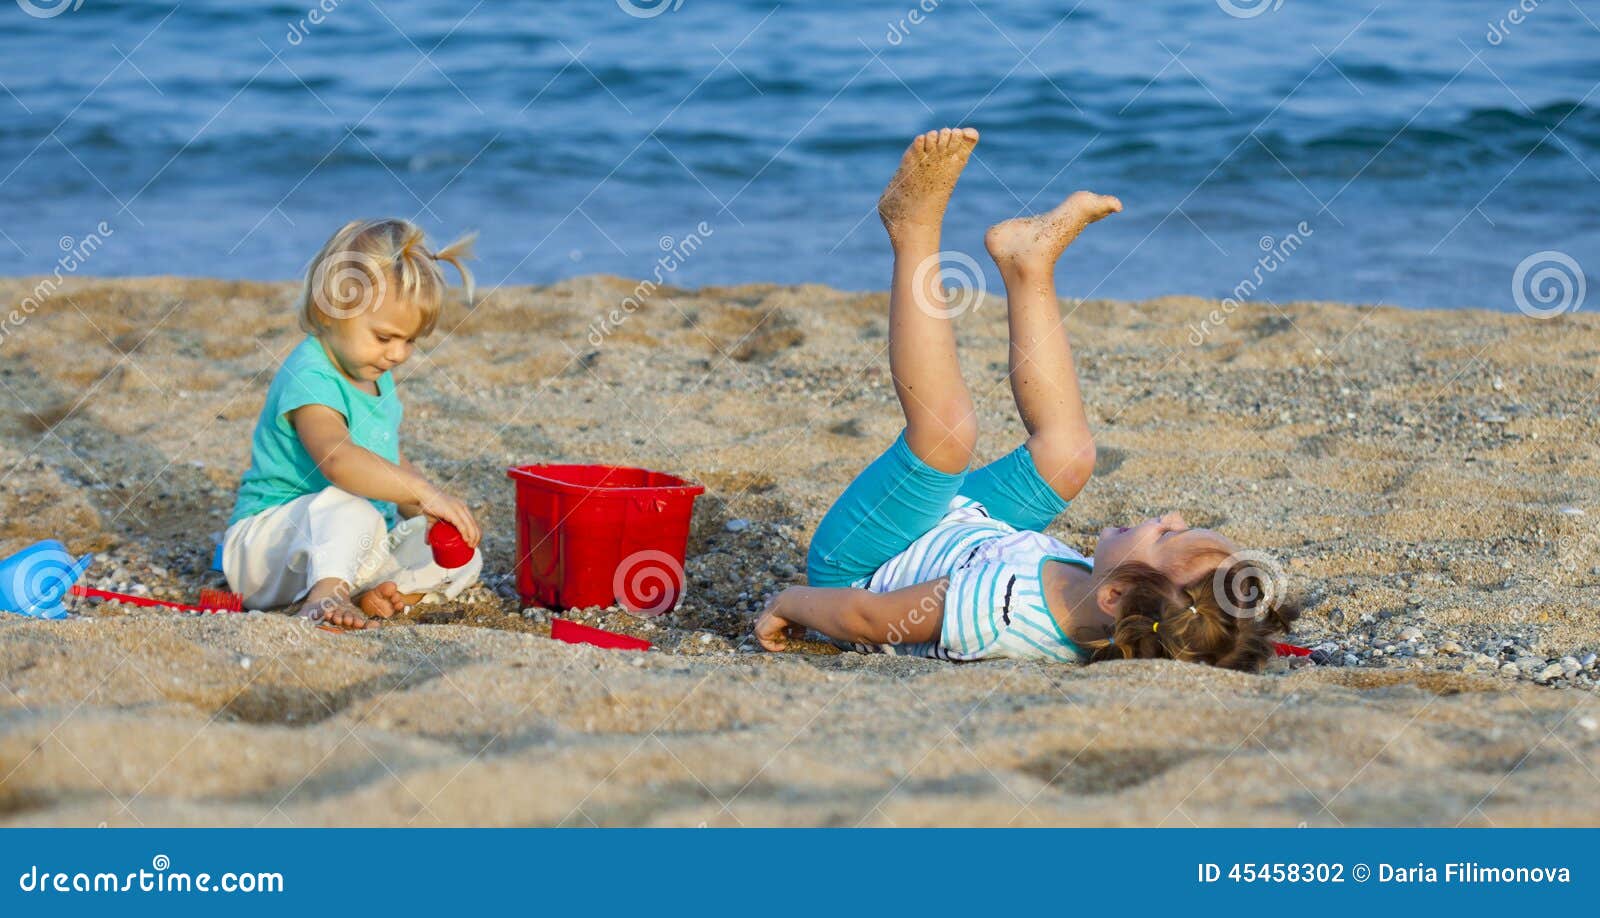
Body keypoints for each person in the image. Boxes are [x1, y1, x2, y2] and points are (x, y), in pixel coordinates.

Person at [755, 129, 1298, 669]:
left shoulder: (998, 610)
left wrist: (790, 601)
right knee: (1070, 454)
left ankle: (913, 229)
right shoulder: (1115, 599)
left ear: (1115, 599)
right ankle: (1028, 264)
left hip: (865, 561)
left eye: (1168, 535)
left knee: (947, 435)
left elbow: (868, 620)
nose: (1172, 516)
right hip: (969, 530)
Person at [223, 218, 484, 629]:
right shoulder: (310, 374)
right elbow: (339, 462)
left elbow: (389, 459)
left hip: (350, 549)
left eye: (410, 340)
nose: (398, 354)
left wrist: (423, 508)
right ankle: (326, 596)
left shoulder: (376, 376)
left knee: (459, 553)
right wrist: (422, 490)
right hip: (267, 550)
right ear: (332, 309)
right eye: (384, 338)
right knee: (349, 503)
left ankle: (368, 596)